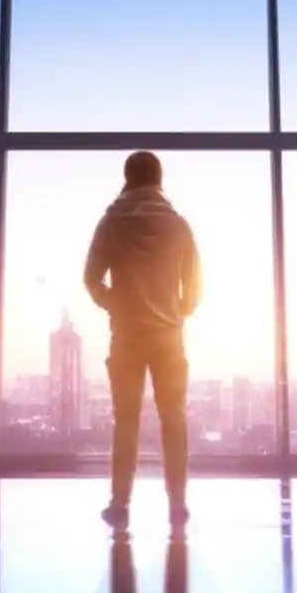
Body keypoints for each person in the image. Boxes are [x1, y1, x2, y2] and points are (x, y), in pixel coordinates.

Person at [85, 151, 201, 529]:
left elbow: (91, 279)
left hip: (127, 336)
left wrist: (115, 304)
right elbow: (194, 290)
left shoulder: (111, 222)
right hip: (168, 337)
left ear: (127, 177)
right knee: (173, 418)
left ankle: (120, 503)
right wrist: (178, 310)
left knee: (126, 421)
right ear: (159, 178)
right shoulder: (179, 226)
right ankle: (178, 503)